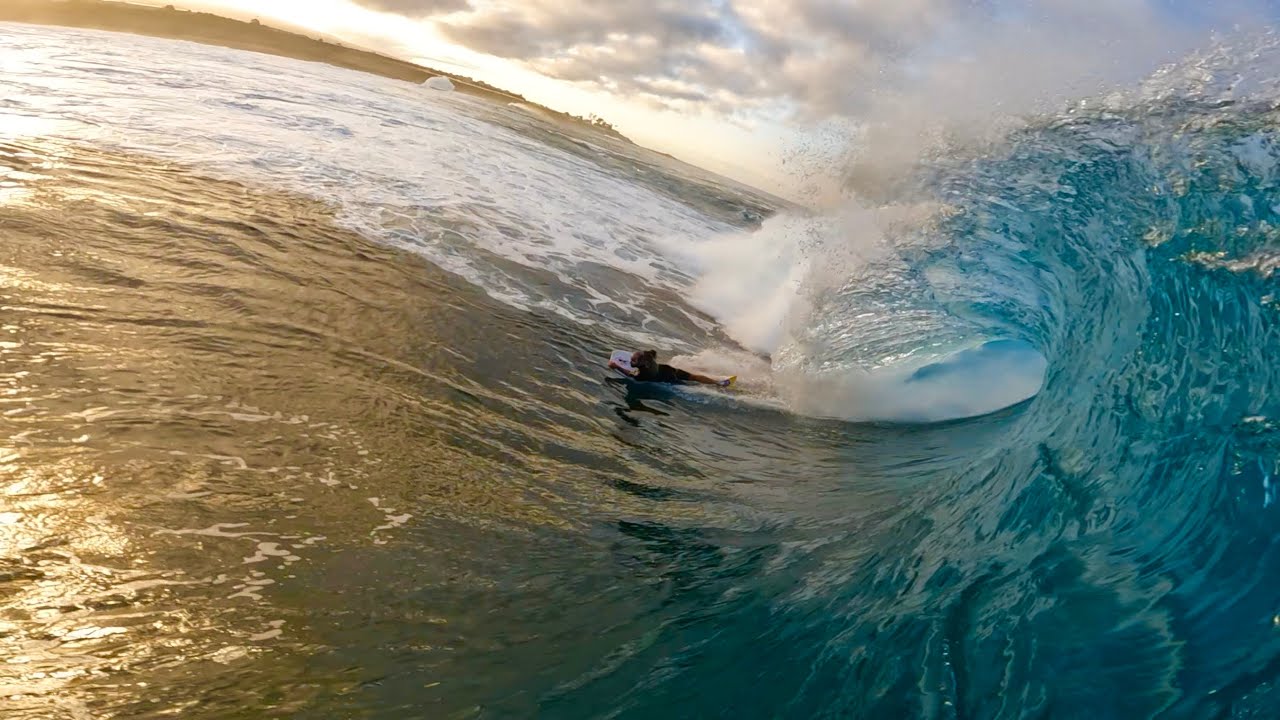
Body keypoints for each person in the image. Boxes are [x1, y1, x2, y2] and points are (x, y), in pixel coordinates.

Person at [614, 349, 732, 387]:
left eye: (633, 360)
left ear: (643, 363)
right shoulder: (650, 357)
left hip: (667, 377)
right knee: (694, 377)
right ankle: (718, 382)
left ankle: (715, 386)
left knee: (688, 386)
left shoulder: (644, 374)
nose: (630, 360)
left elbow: (630, 374)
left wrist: (615, 366)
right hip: (668, 369)